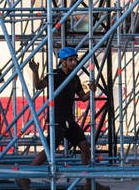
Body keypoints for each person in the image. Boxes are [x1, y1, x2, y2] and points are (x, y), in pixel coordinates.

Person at [18, 46, 93, 190]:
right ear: (63, 61)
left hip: (69, 120)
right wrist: (35, 71)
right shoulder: (54, 75)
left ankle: (89, 182)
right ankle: (25, 175)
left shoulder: (74, 78)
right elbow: (38, 85)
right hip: (57, 119)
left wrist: (91, 91)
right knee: (49, 150)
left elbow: (82, 97)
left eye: (75, 60)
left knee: (85, 146)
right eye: (71, 60)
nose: (74, 63)